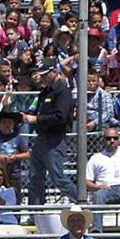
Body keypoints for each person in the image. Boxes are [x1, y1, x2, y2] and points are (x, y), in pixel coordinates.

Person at [25, 65, 76, 206]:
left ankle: (81, 203)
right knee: (34, 177)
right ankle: (35, 211)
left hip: (55, 139)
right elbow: (37, 111)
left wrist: (36, 119)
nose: (42, 78)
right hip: (40, 138)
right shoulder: (45, 92)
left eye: (45, 74)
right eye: (41, 75)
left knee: (58, 177)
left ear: (54, 72)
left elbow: (60, 116)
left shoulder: (63, 91)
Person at [0, 111, 30, 201]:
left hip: (14, 175)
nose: (7, 124)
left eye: (10, 122)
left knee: (14, 200)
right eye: (4, 122)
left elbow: (27, 154)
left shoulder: (18, 138)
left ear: (13, 124)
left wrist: (15, 157)